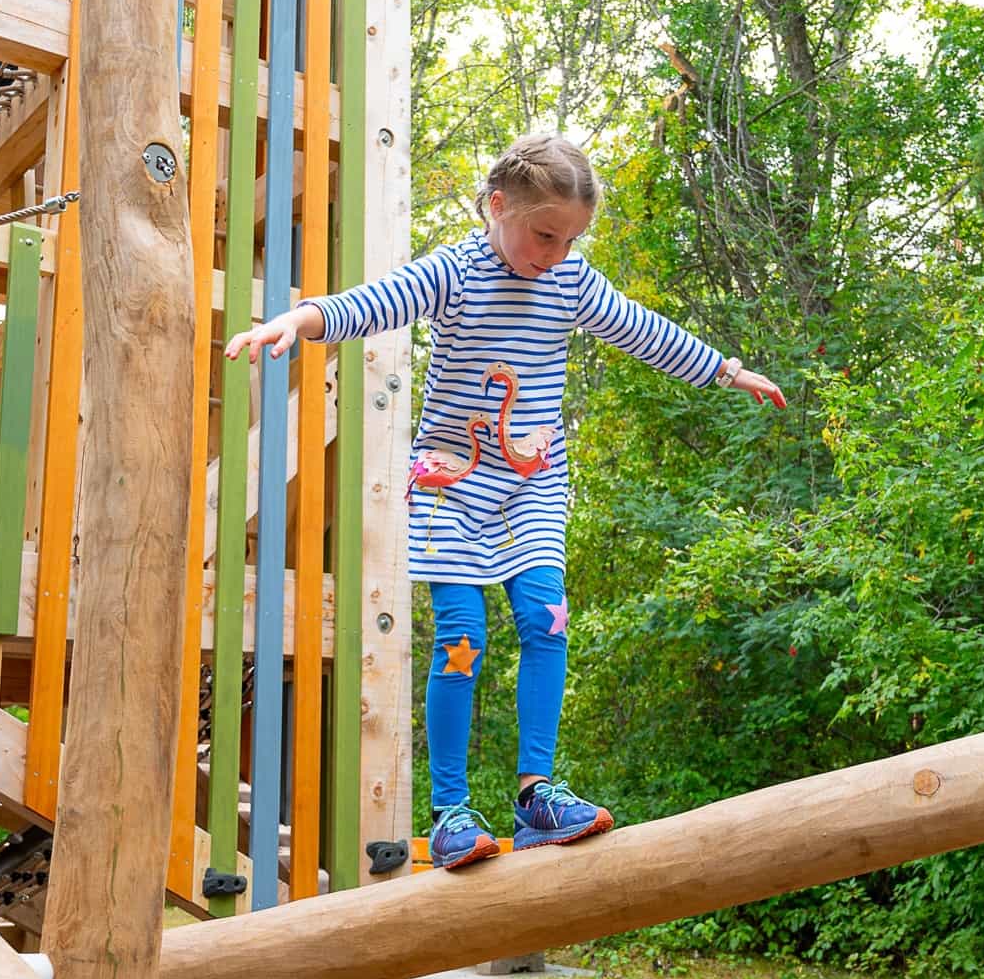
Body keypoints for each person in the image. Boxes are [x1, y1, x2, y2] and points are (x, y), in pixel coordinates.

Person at [226, 134, 784, 868]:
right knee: (464, 633)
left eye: (570, 239)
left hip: (531, 485)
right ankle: (453, 807)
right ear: (498, 206)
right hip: (452, 483)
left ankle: (536, 795)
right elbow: (376, 302)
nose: (554, 253)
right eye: (544, 234)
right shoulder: (457, 272)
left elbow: (643, 330)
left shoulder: (572, 280)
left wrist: (727, 369)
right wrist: (298, 322)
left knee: (545, 617)